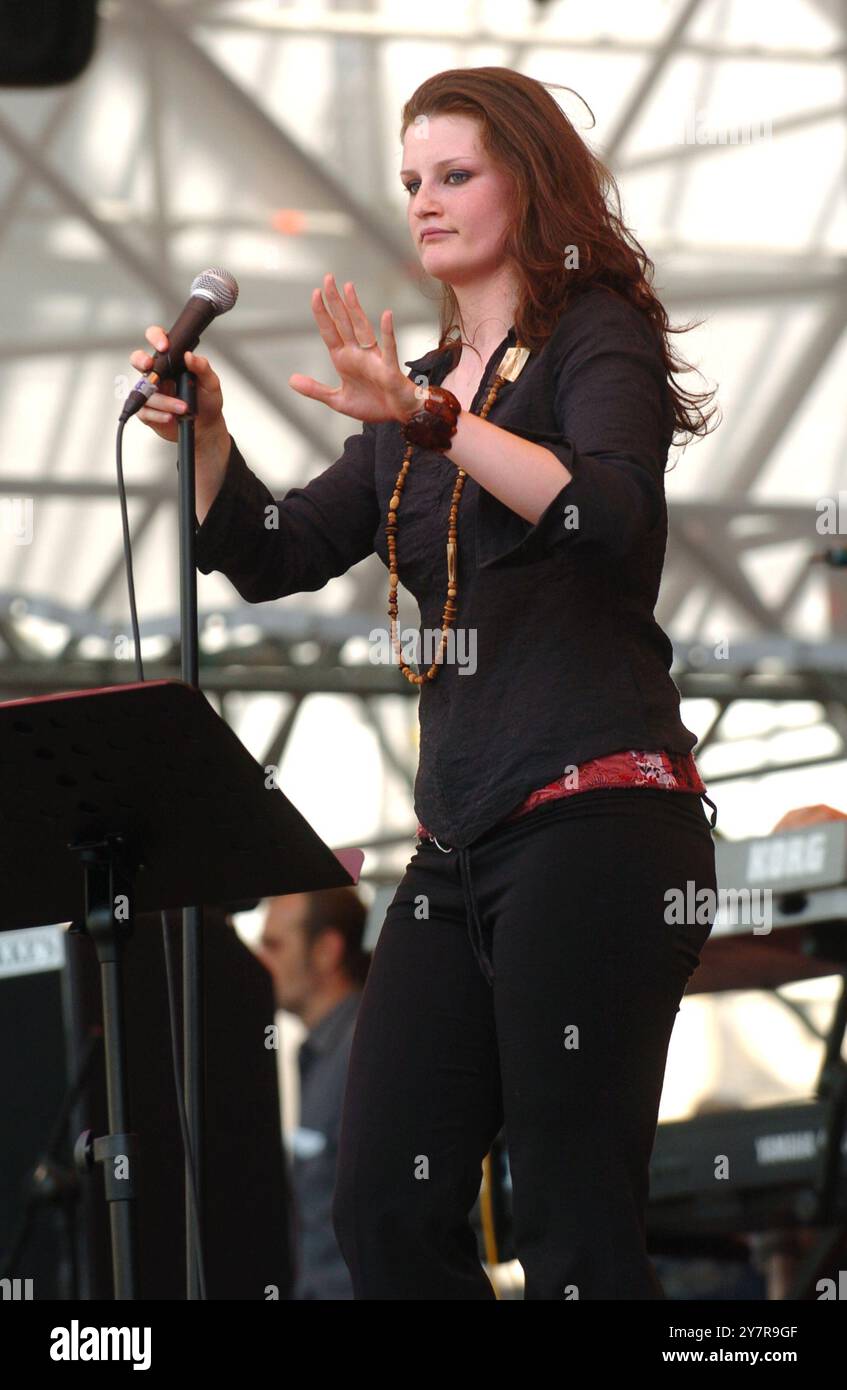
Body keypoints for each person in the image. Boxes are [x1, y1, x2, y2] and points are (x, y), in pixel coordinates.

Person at [129, 67, 721, 1299]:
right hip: (457, 845)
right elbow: (272, 552)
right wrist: (214, 437)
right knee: (381, 1210)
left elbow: (607, 516)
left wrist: (436, 418)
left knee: (571, 1219)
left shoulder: (592, 331)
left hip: (598, 815)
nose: (426, 203)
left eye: (456, 175)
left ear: (530, 179)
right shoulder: (427, 384)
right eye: (411, 182)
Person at [256, 889, 370, 1301]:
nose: (259, 959)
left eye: (273, 944)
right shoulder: (323, 1052)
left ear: (326, 951)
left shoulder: (361, 1051)